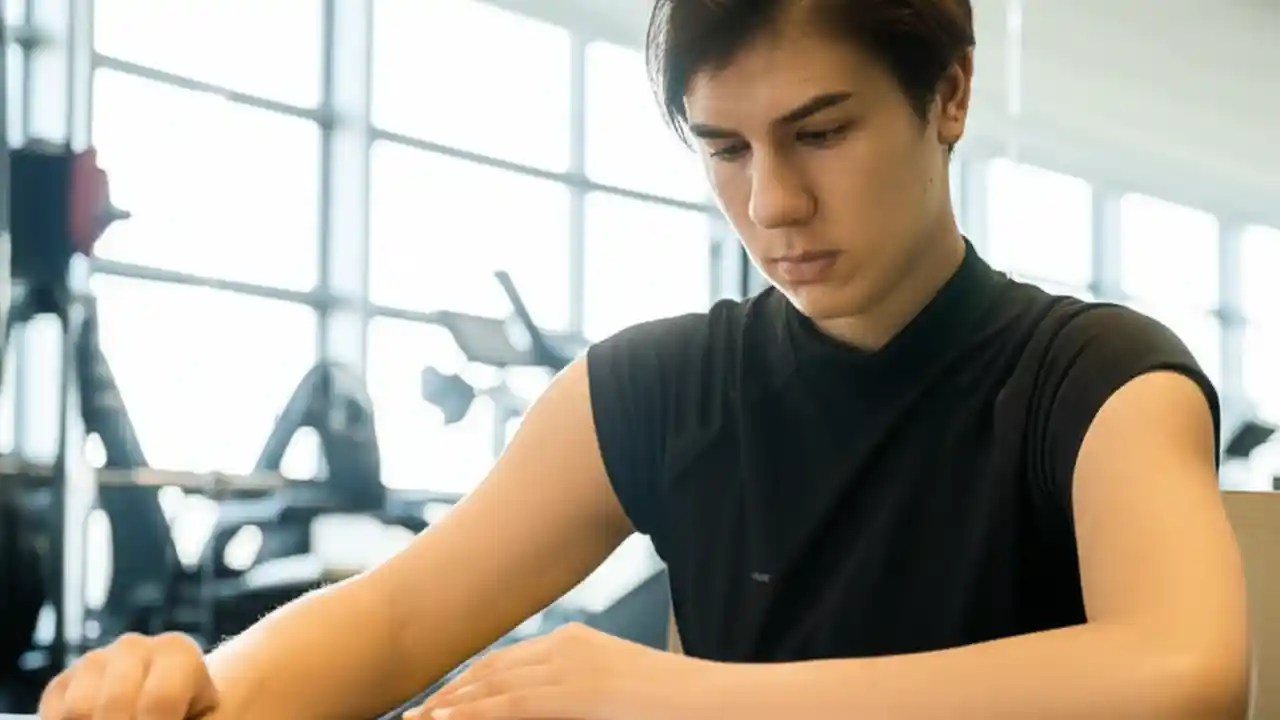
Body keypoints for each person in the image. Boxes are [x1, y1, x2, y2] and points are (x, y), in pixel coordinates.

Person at [40, 0, 1251, 718]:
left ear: (948, 95)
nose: (772, 201)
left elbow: (1180, 668)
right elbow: (400, 614)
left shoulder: (1099, 380)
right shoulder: (654, 388)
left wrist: (690, 701)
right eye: (724, 148)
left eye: (819, 132)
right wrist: (198, 685)